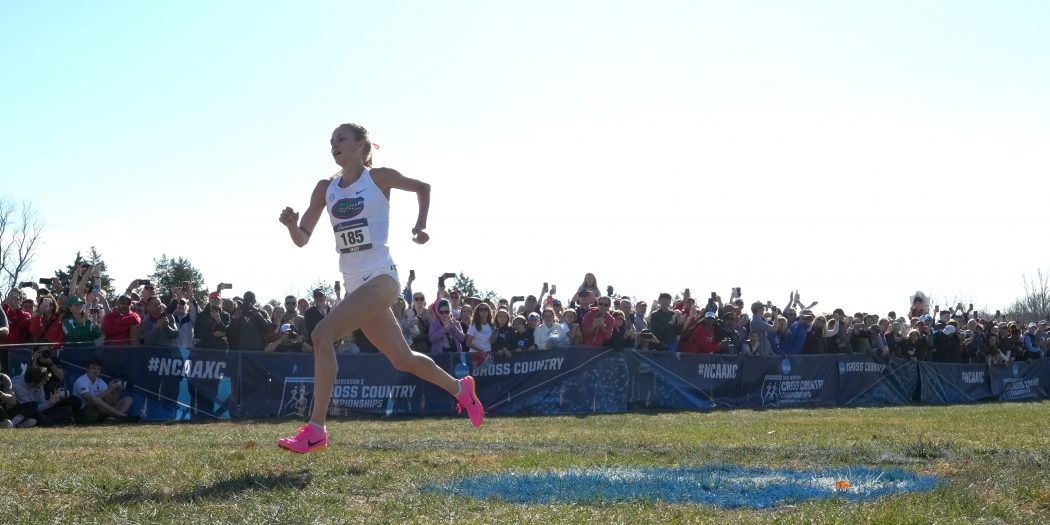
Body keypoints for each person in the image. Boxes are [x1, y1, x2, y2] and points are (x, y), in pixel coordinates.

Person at [276, 122, 483, 453]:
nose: (334, 144)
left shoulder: (378, 178)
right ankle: (461, 388)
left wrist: (420, 225)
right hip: (355, 285)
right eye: (331, 141)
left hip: (382, 279)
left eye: (341, 139)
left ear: (360, 144)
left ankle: (316, 429)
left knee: (321, 335)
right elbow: (303, 238)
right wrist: (291, 226)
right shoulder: (324, 188)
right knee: (403, 359)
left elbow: (423, 187)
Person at [73, 358, 134, 423]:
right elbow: (90, 401)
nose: (96, 371)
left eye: (98, 369)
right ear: (87, 369)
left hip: (100, 411)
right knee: (95, 399)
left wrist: (116, 390)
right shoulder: (81, 381)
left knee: (128, 399)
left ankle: (113, 418)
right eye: (93, 368)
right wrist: (108, 390)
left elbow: (112, 403)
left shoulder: (100, 382)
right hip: (83, 412)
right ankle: (121, 416)